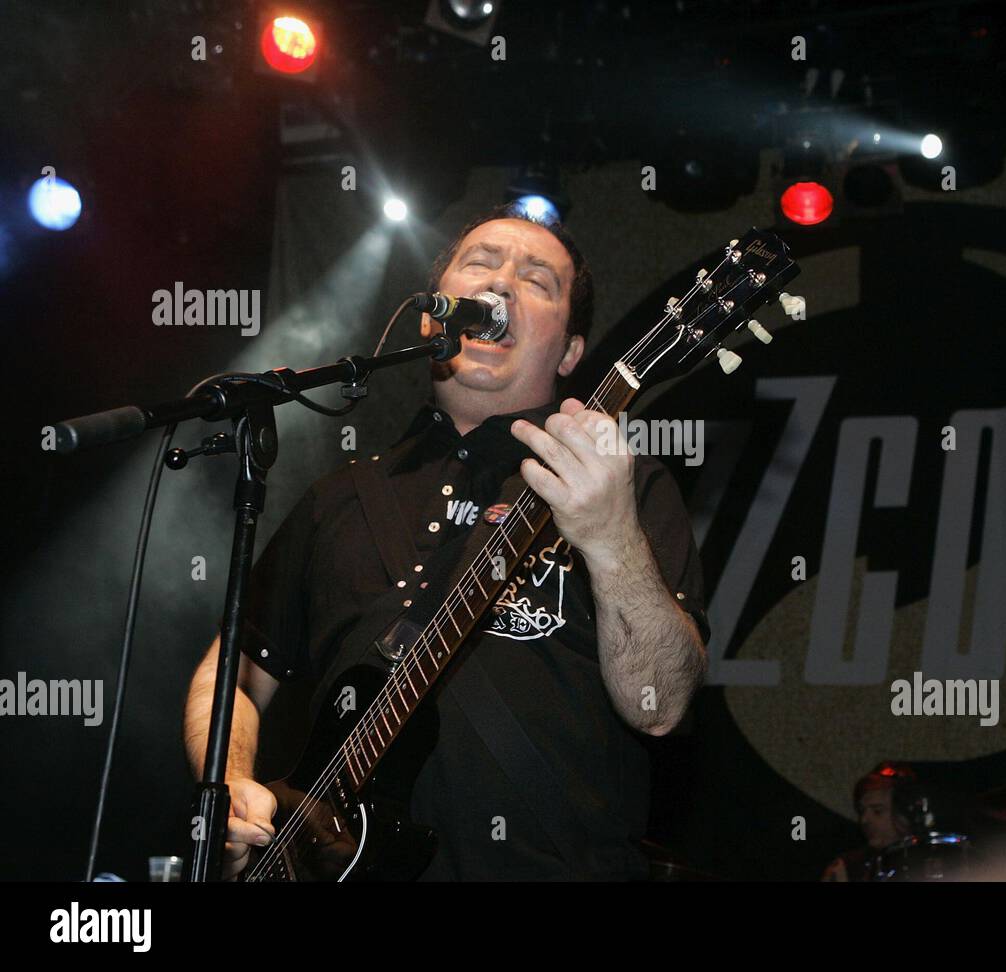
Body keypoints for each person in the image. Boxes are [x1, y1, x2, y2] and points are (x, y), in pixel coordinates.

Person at [183, 204, 711, 880]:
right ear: (434, 315)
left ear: (572, 350)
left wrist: (609, 540)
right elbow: (228, 673)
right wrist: (227, 785)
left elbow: (660, 706)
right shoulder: (341, 497)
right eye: (482, 263)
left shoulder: (616, 486)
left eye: (538, 281)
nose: (501, 284)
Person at [821, 762, 918, 881]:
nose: (864, 820)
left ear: (905, 814)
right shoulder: (847, 867)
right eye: (862, 811)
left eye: (877, 811)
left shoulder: (929, 860)